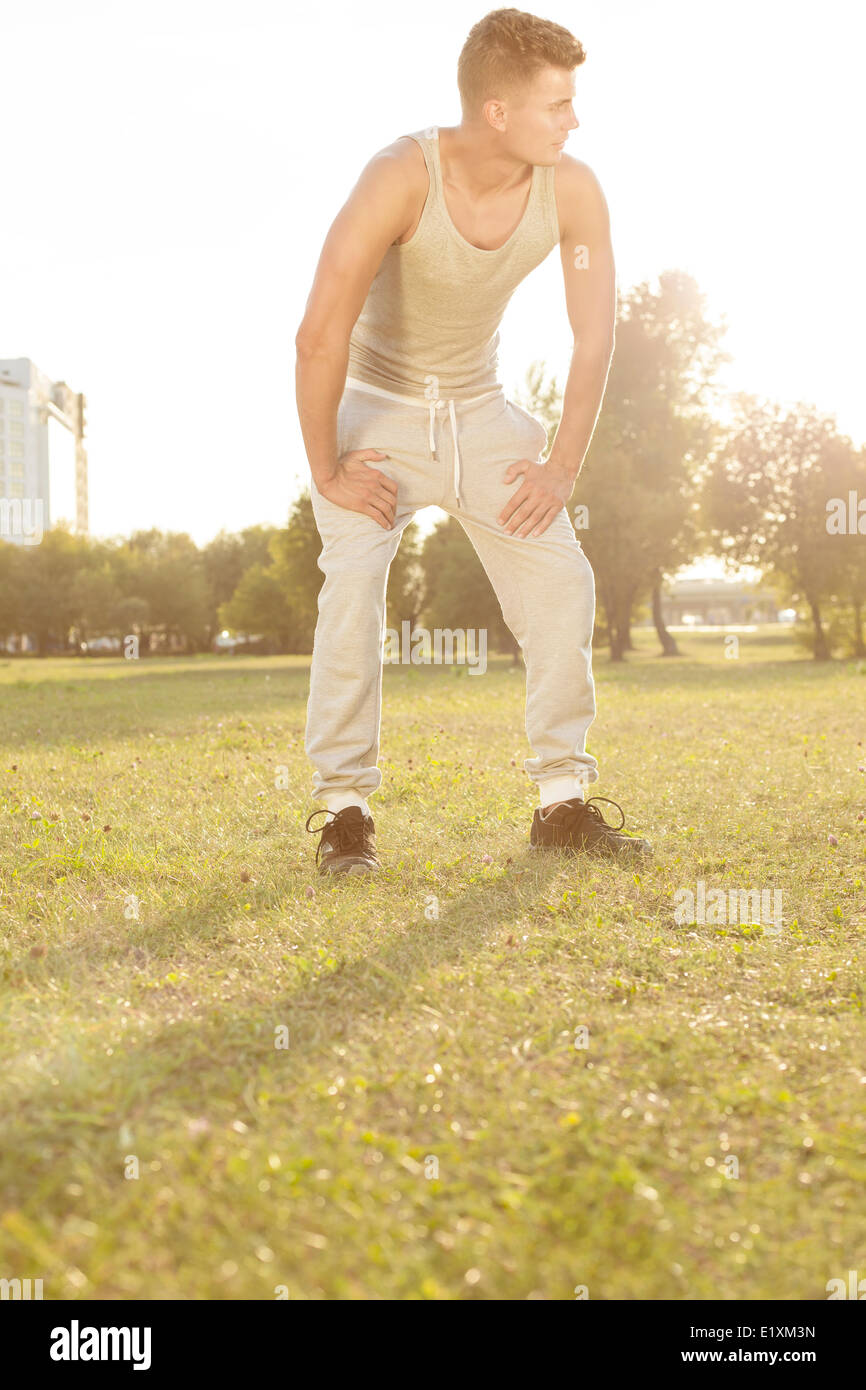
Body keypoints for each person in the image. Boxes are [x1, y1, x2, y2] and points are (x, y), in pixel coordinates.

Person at [295, 7, 652, 875]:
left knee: (562, 583)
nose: (575, 121)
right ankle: (346, 813)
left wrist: (561, 464)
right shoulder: (397, 177)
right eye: (558, 105)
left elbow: (594, 337)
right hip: (376, 412)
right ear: (498, 112)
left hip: (483, 413)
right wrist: (326, 470)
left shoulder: (571, 189)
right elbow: (318, 336)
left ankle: (560, 802)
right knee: (352, 593)